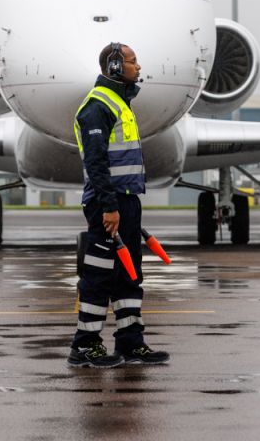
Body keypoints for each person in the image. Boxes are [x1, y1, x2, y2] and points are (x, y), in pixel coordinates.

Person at [67, 42, 170, 368]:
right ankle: (84, 346)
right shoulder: (98, 107)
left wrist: (126, 211)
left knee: (129, 276)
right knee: (97, 276)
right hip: (106, 204)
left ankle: (130, 342)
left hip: (125, 202)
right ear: (113, 67)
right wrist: (109, 207)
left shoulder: (120, 104)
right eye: (132, 61)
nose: (138, 68)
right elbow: (96, 164)